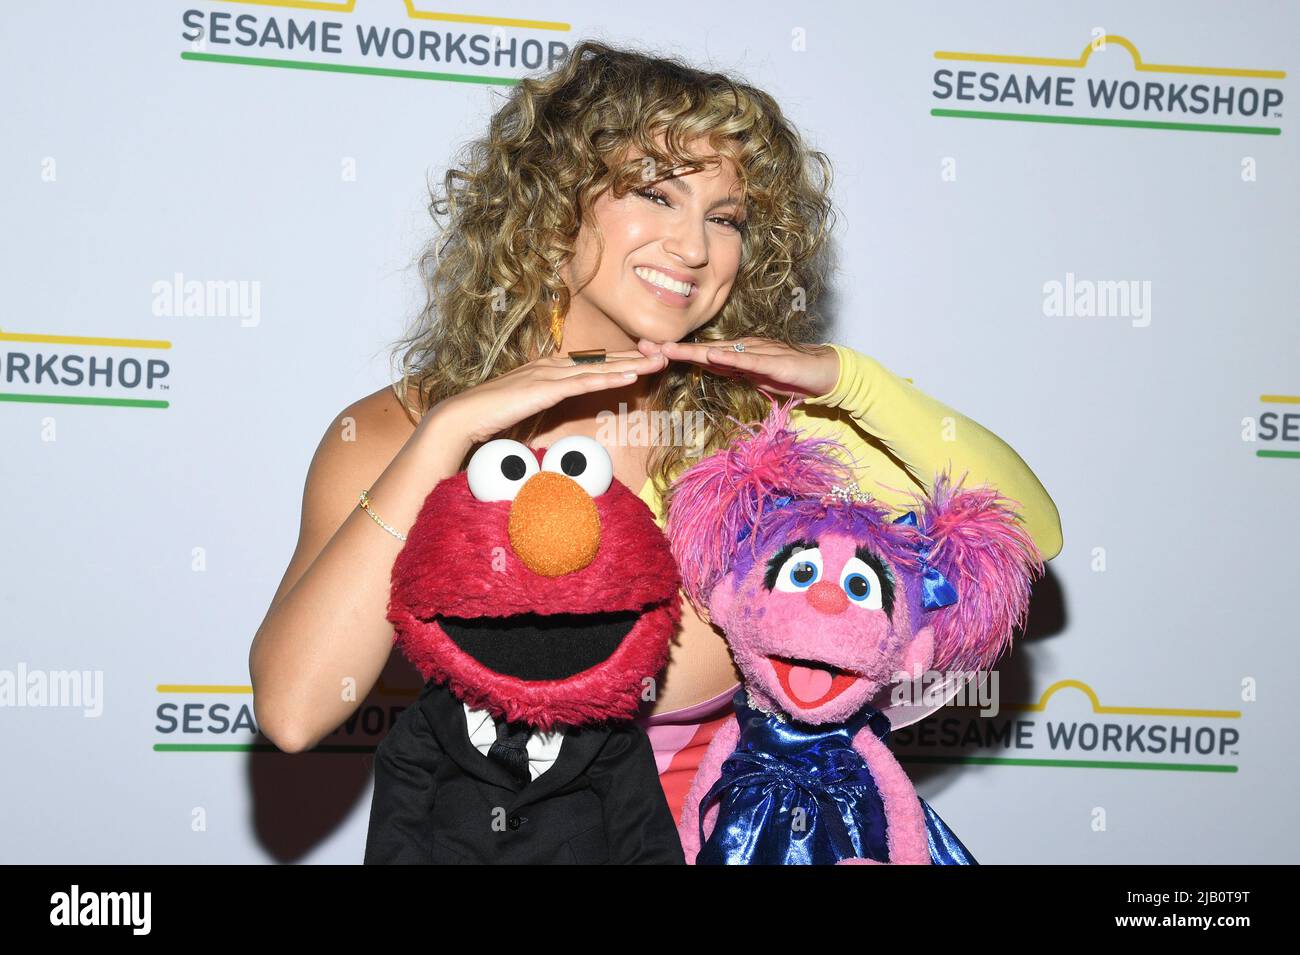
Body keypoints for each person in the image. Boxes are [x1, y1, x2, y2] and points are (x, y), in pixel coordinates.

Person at [248, 41, 1063, 829]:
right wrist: (446, 437)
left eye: (727, 216)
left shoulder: (762, 443)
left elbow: (1031, 533)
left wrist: (850, 380)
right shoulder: (394, 430)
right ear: (552, 200)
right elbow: (294, 709)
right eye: (657, 194)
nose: (695, 246)